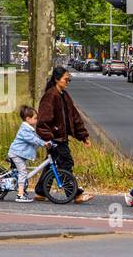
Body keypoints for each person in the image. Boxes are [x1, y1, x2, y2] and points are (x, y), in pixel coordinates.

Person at [35, 66, 93, 203]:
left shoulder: (64, 96)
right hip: (55, 139)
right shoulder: (50, 96)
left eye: (69, 80)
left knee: (51, 165)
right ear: (57, 79)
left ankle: (41, 191)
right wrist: (49, 138)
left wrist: (83, 136)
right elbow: (42, 121)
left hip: (61, 138)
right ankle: (74, 194)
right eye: (66, 80)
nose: (67, 82)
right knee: (65, 164)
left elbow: (74, 117)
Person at [8, 105, 50, 203]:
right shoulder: (24, 130)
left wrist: (48, 141)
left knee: (21, 172)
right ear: (28, 119)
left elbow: (37, 138)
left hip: (20, 154)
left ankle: (21, 189)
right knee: (23, 172)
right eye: (35, 118)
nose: (37, 120)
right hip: (16, 154)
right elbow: (33, 139)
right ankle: (20, 195)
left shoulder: (29, 129)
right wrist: (44, 144)